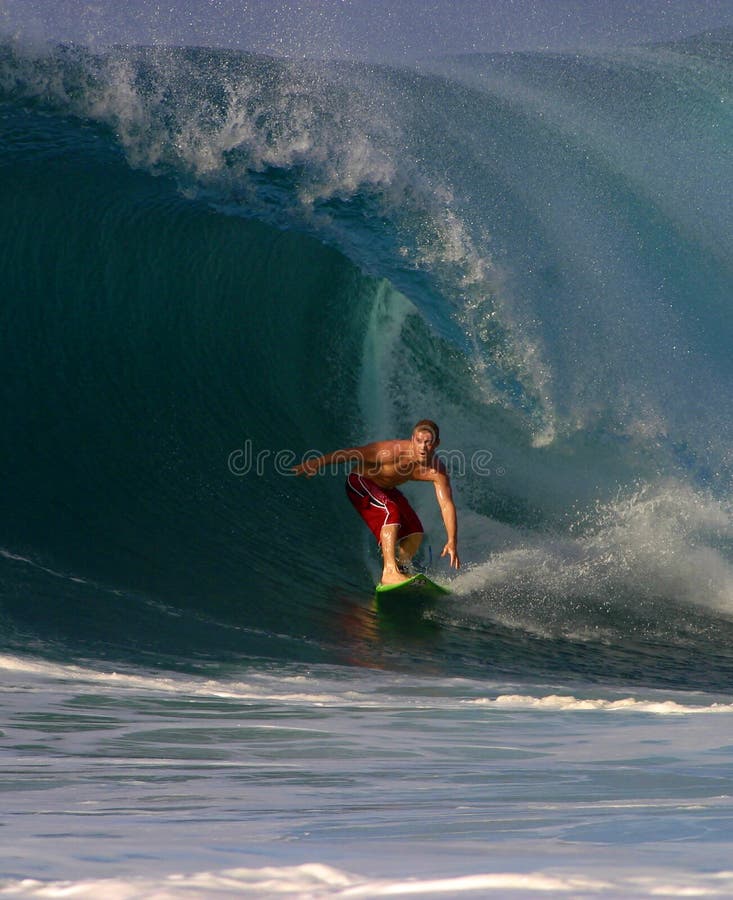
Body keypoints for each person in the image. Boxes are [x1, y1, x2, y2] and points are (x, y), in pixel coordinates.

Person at [293, 420, 459, 585]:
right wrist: (316, 463)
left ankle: (401, 569)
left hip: (386, 489)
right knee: (391, 510)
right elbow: (350, 454)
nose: (422, 447)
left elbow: (446, 505)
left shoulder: (436, 470)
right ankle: (389, 572)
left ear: (436, 443)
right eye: (418, 441)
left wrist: (452, 540)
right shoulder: (389, 452)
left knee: (415, 531)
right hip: (360, 481)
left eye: (428, 442)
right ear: (412, 439)